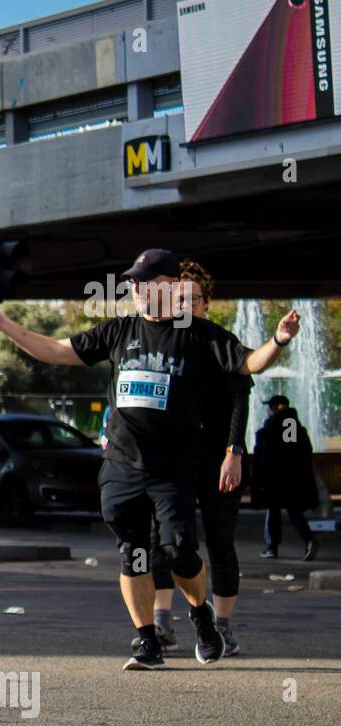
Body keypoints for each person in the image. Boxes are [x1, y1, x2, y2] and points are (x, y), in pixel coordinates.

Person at [0, 249, 300, 670]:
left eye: (146, 282)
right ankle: (146, 640)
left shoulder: (197, 334)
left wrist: (278, 340)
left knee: (181, 552)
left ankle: (202, 616)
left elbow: (247, 363)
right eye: (133, 283)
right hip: (122, 466)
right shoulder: (119, 332)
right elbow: (56, 350)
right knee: (134, 553)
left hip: (172, 469)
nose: (136, 289)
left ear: (169, 285)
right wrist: (7, 326)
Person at [149, 260, 250, 656]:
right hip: (173, 457)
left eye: (193, 299)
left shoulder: (221, 342)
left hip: (218, 456)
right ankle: (162, 623)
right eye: (179, 298)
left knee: (220, 539)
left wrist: (234, 452)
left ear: (207, 303)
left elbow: (241, 401)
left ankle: (222, 626)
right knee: (162, 539)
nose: (186, 305)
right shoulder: (164, 342)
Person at [253, 395, 320, 560]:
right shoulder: (295, 426)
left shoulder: (270, 428)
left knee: (273, 509)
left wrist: (259, 477)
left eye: (270, 408)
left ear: (275, 409)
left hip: (276, 479)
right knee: (294, 511)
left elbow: (265, 455)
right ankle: (309, 540)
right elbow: (304, 451)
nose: (268, 411)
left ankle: (272, 547)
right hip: (295, 479)